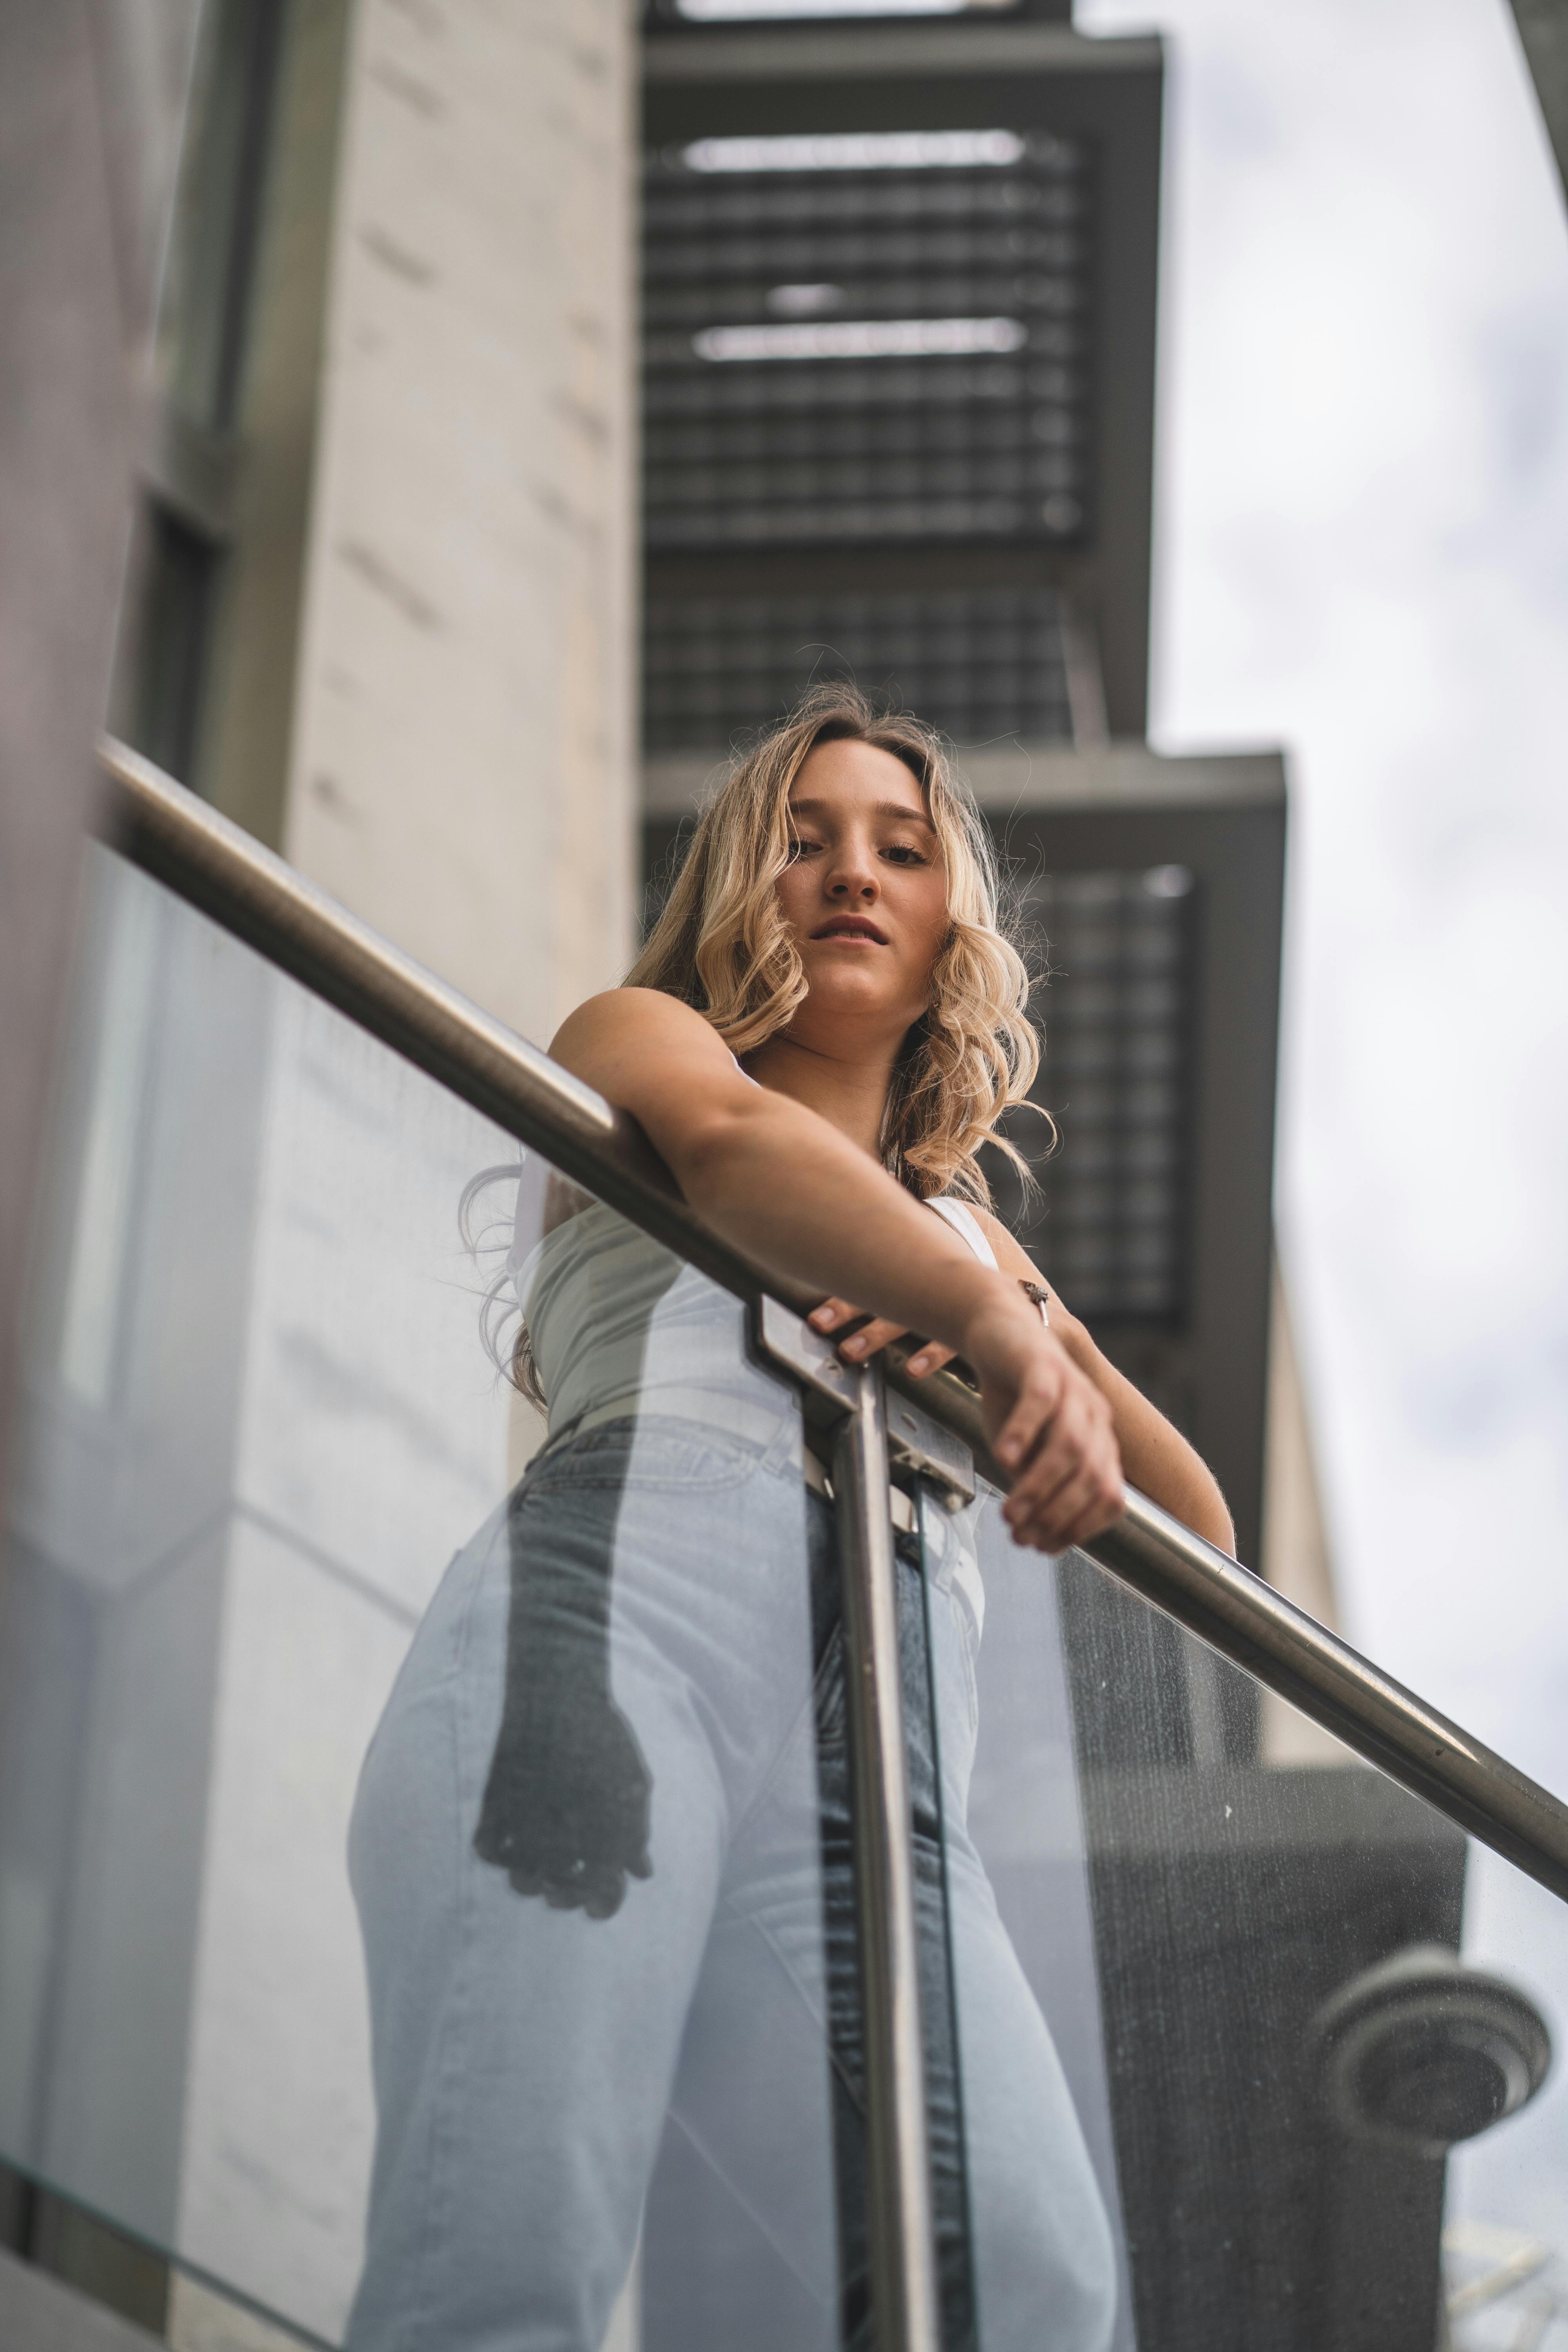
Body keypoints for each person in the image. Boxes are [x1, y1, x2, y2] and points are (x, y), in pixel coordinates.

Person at [344, 688, 1234, 2352]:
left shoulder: (970, 1240)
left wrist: (1006, 1342)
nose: (851, 874)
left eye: (901, 851)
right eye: (803, 841)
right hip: (602, 1648)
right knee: (505, 2259)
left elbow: (1193, 1534)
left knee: (1033, 2283)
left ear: (946, 928)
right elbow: (737, 1149)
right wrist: (984, 1334)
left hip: (887, 1783)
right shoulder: (640, 1037)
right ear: (742, 884)